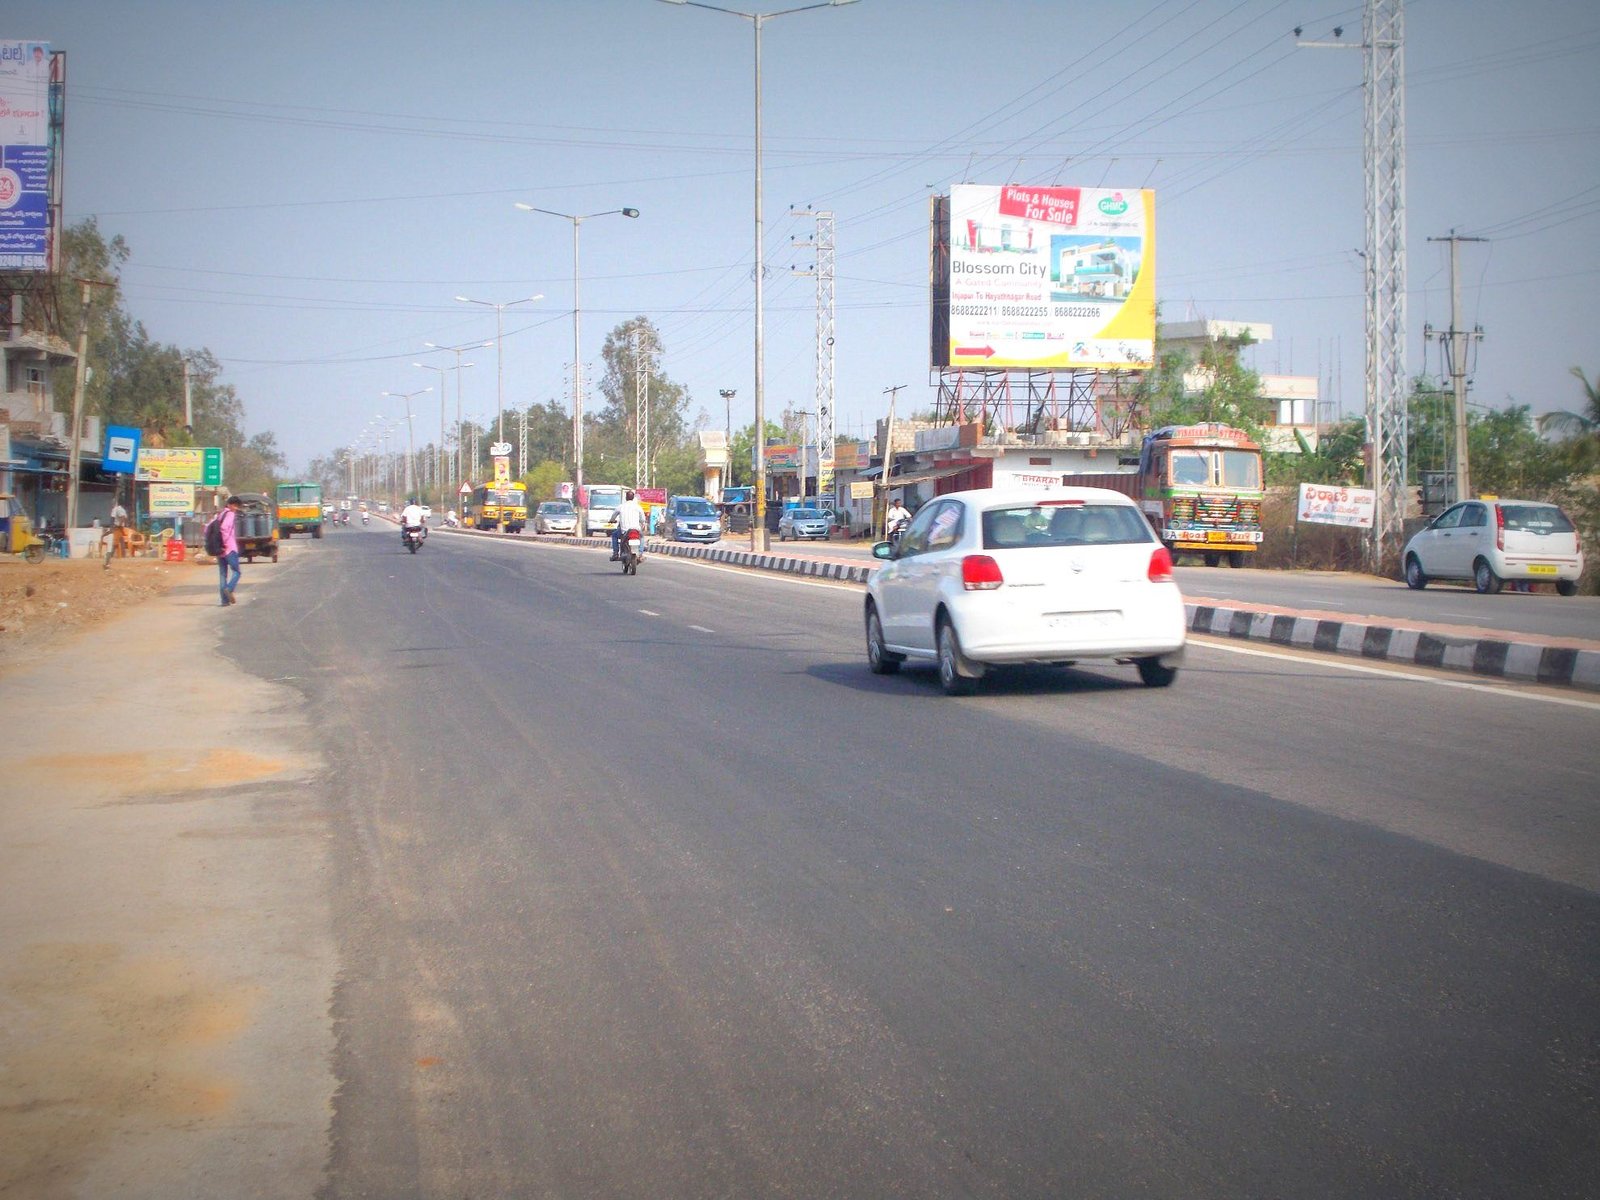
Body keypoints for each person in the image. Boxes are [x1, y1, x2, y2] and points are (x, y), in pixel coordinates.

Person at [216, 495, 242, 606]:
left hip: (219, 550)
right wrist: (225, 543)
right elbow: (224, 529)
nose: (236, 508)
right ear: (231, 505)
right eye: (235, 506)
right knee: (237, 572)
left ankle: (224, 601)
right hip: (229, 548)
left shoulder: (220, 514)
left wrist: (219, 545)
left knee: (223, 575)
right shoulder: (230, 514)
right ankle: (230, 588)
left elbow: (208, 527)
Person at [612, 489, 645, 561]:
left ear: (626, 498)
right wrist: (642, 523)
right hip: (636, 529)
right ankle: (640, 554)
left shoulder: (620, 507)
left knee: (614, 535)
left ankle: (615, 553)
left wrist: (611, 520)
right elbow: (643, 519)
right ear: (633, 498)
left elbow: (613, 516)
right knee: (642, 537)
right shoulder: (638, 507)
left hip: (624, 530)